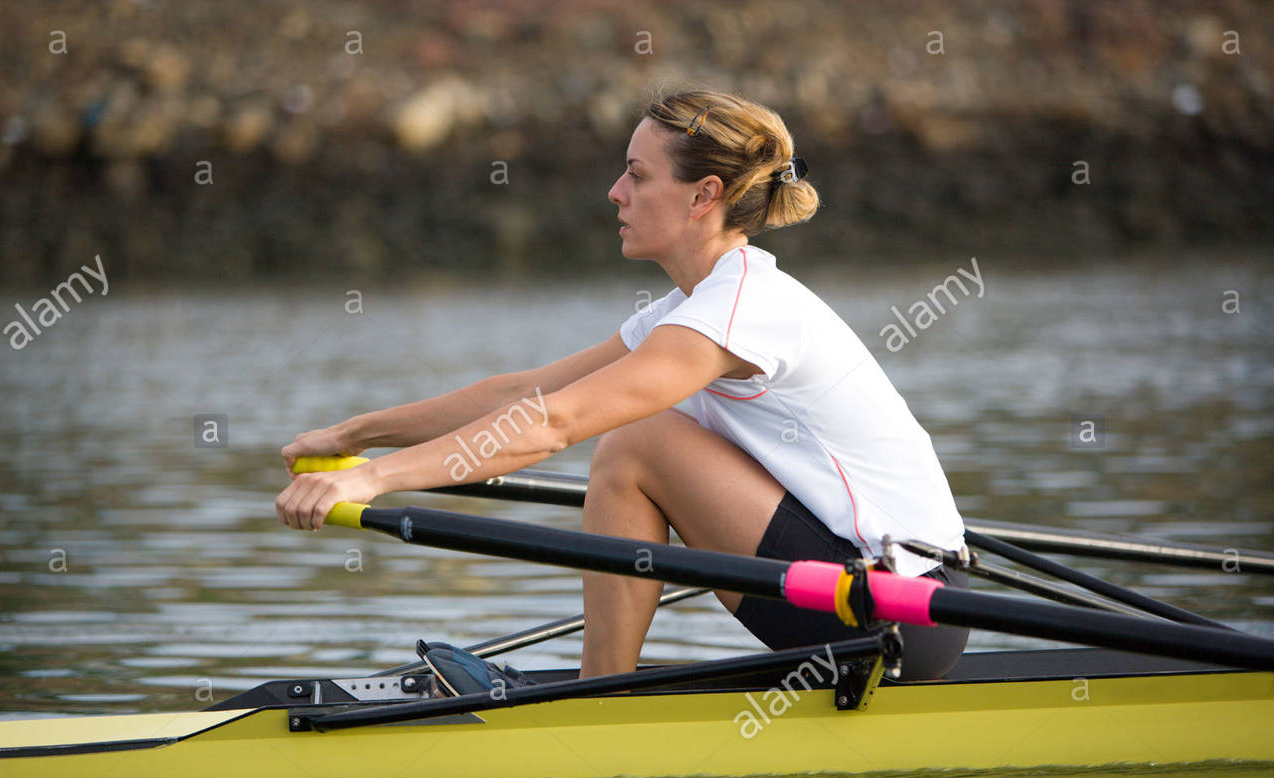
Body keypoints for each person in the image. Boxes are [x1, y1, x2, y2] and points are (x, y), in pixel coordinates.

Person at [276, 89, 970, 681]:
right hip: (852, 591)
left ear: (705, 196)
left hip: (900, 612)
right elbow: (519, 396)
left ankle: (600, 699)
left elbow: (554, 424)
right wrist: (352, 436)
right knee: (636, 444)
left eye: (637, 175)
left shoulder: (743, 310)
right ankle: (603, 689)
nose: (615, 191)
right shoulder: (695, 308)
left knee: (639, 444)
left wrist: (372, 482)